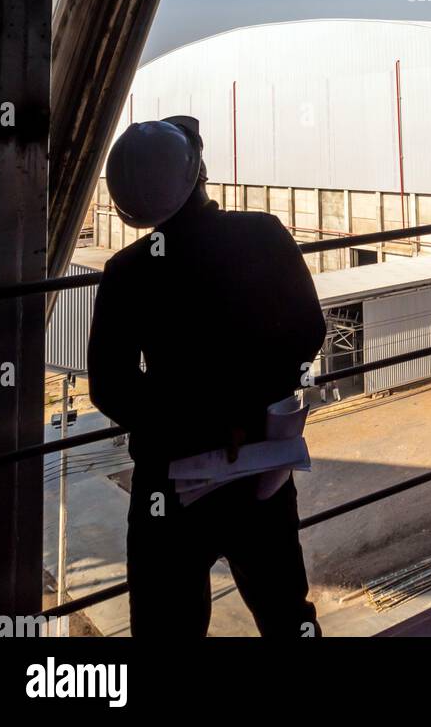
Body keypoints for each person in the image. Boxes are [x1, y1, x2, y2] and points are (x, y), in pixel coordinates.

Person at [87, 115, 327, 637]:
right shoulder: (262, 235)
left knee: (165, 627)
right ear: (200, 173)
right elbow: (307, 332)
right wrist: (240, 410)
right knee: (286, 613)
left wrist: (191, 422)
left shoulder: (127, 272)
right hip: (260, 462)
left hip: (169, 478)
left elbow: (110, 386)